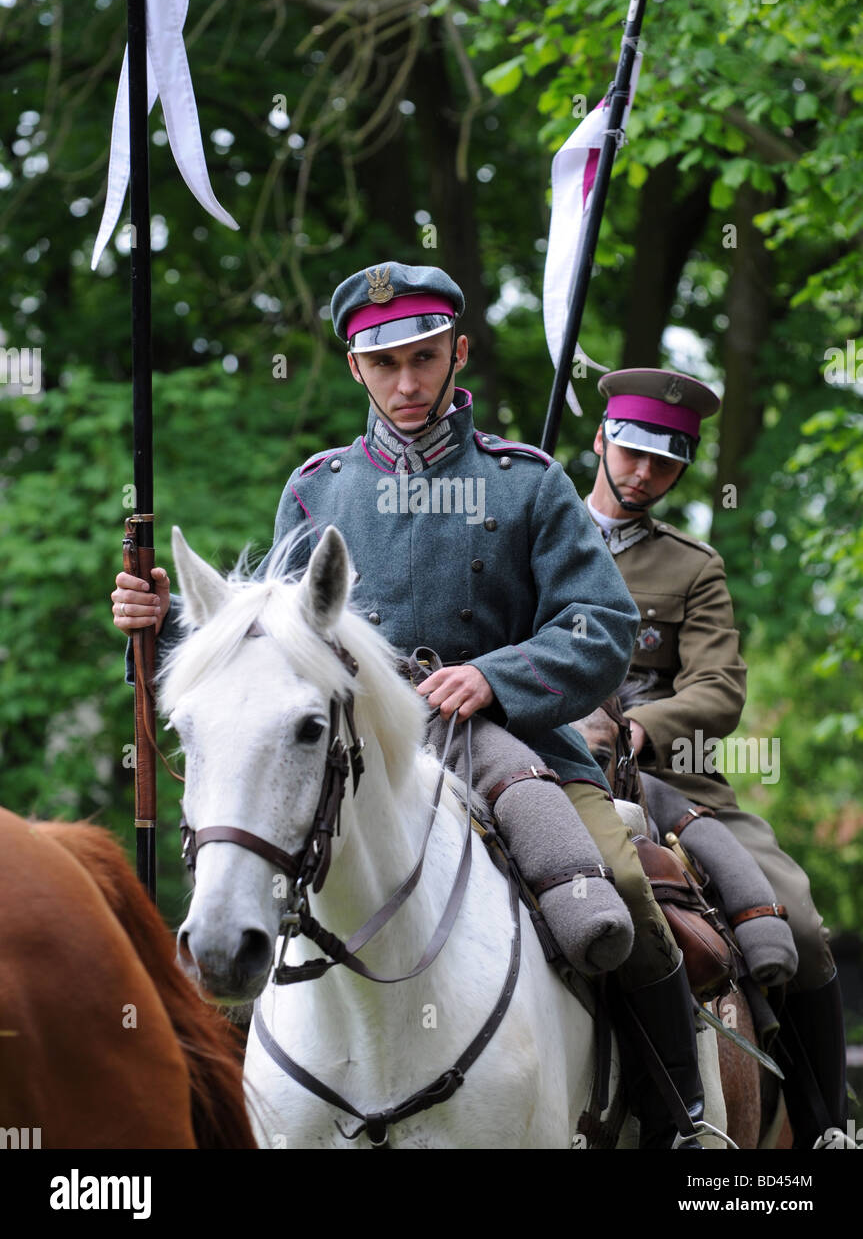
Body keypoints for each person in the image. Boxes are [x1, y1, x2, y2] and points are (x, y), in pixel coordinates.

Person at [111, 263, 706, 1147]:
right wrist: (157, 634)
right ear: (355, 367)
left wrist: (498, 677)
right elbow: (267, 655)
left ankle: (682, 1122)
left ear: (456, 353)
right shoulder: (316, 488)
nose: (406, 383)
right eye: (383, 364)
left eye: (424, 359)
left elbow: (602, 622)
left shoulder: (528, 482)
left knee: (618, 892)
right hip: (355, 747)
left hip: (507, 739)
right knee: (257, 878)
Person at [584, 365, 854, 1150]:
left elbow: (718, 687)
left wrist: (638, 726)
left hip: (669, 778)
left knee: (798, 924)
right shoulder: (532, 535)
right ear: (599, 441)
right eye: (631, 453)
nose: (643, 474)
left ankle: (825, 1127)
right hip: (535, 762)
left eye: (665, 462)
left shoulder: (690, 566)